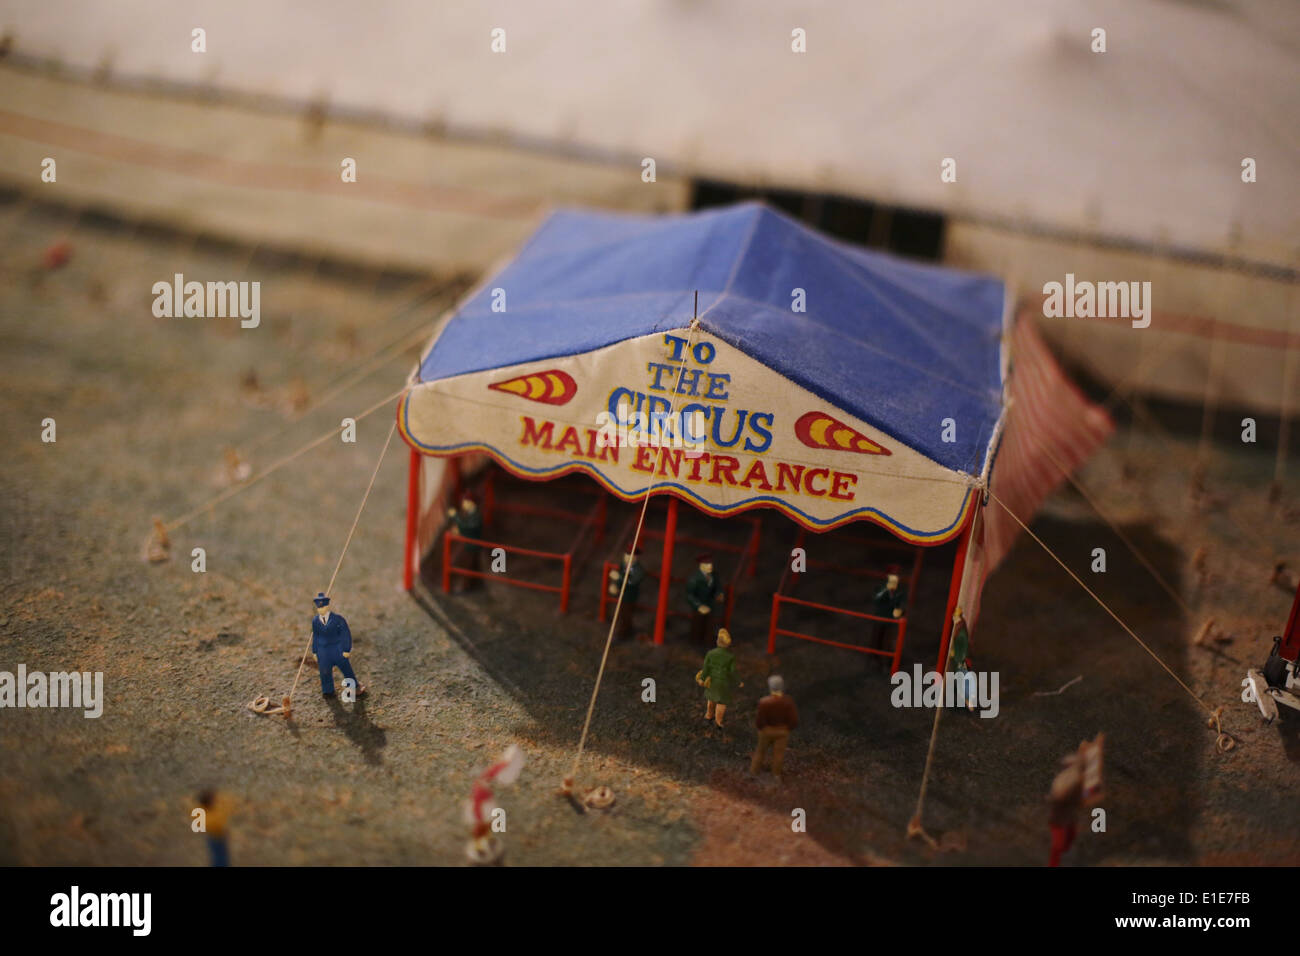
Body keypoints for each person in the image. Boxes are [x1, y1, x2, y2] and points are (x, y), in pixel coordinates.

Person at [310, 592, 365, 699]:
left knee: (346, 668)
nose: (321, 609)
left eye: (323, 607)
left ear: (327, 606)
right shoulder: (315, 621)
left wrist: (346, 649)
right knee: (325, 671)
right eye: (319, 608)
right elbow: (315, 636)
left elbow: (345, 634)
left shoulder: (337, 619)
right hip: (323, 652)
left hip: (337, 649)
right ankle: (328, 691)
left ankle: (353, 688)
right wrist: (315, 651)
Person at [752, 675, 799, 780]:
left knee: (760, 752)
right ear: (782, 686)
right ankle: (776, 776)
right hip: (782, 731)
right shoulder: (788, 701)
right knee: (778, 755)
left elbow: (759, 720)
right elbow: (794, 719)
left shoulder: (764, 702)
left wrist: (762, 728)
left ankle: (753, 774)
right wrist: (787, 728)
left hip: (766, 731)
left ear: (770, 687)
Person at [696, 628, 741, 728]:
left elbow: (706, 668)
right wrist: (738, 681)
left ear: (717, 641)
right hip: (723, 682)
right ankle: (718, 722)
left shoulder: (711, 653)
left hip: (712, 680)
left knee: (711, 699)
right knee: (722, 702)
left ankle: (708, 716)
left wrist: (702, 679)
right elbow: (732, 671)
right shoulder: (730, 657)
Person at [447, 494, 484, 590]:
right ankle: (472, 583)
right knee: (471, 565)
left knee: (469, 565)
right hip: (471, 543)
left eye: (465, 502)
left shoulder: (475, 516)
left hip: (472, 545)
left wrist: (456, 517)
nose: (463, 504)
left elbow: (467, 527)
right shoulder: (471, 514)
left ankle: (468, 585)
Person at [608, 546, 646, 641]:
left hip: (630, 595)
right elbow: (621, 576)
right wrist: (616, 585)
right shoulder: (624, 565)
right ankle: (625, 629)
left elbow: (632, 582)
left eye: (630, 555)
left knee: (626, 614)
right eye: (626, 554)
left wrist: (618, 578)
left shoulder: (638, 570)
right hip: (622, 593)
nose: (627, 557)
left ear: (635, 557)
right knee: (622, 612)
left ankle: (624, 632)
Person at [870, 564, 907, 656]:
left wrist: (899, 613)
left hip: (890, 619)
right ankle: (873, 656)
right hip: (880, 617)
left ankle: (885, 659)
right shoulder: (882, 588)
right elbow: (877, 599)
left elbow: (898, 605)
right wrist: (887, 590)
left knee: (887, 640)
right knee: (876, 638)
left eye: (897, 575)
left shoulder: (899, 591)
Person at [685, 553, 721, 645]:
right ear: (701, 566)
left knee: (710, 625)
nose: (710, 566)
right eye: (707, 565)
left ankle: (707, 641)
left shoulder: (714, 577)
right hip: (699, 606)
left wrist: (719, 595)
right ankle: (695, 642)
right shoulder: (695, 579)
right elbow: (690, 595)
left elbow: (718, 588)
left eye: (710, 564)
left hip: (710, 604)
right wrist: (698, 606)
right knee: (697, 625)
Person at [196, 789, 231, 867]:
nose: (215, 801)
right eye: (212, 799)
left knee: (219, 857)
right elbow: (219, 824)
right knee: (220, 859)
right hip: (217, 838)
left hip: (214, 838)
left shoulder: (203, 813)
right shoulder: (210, 817)